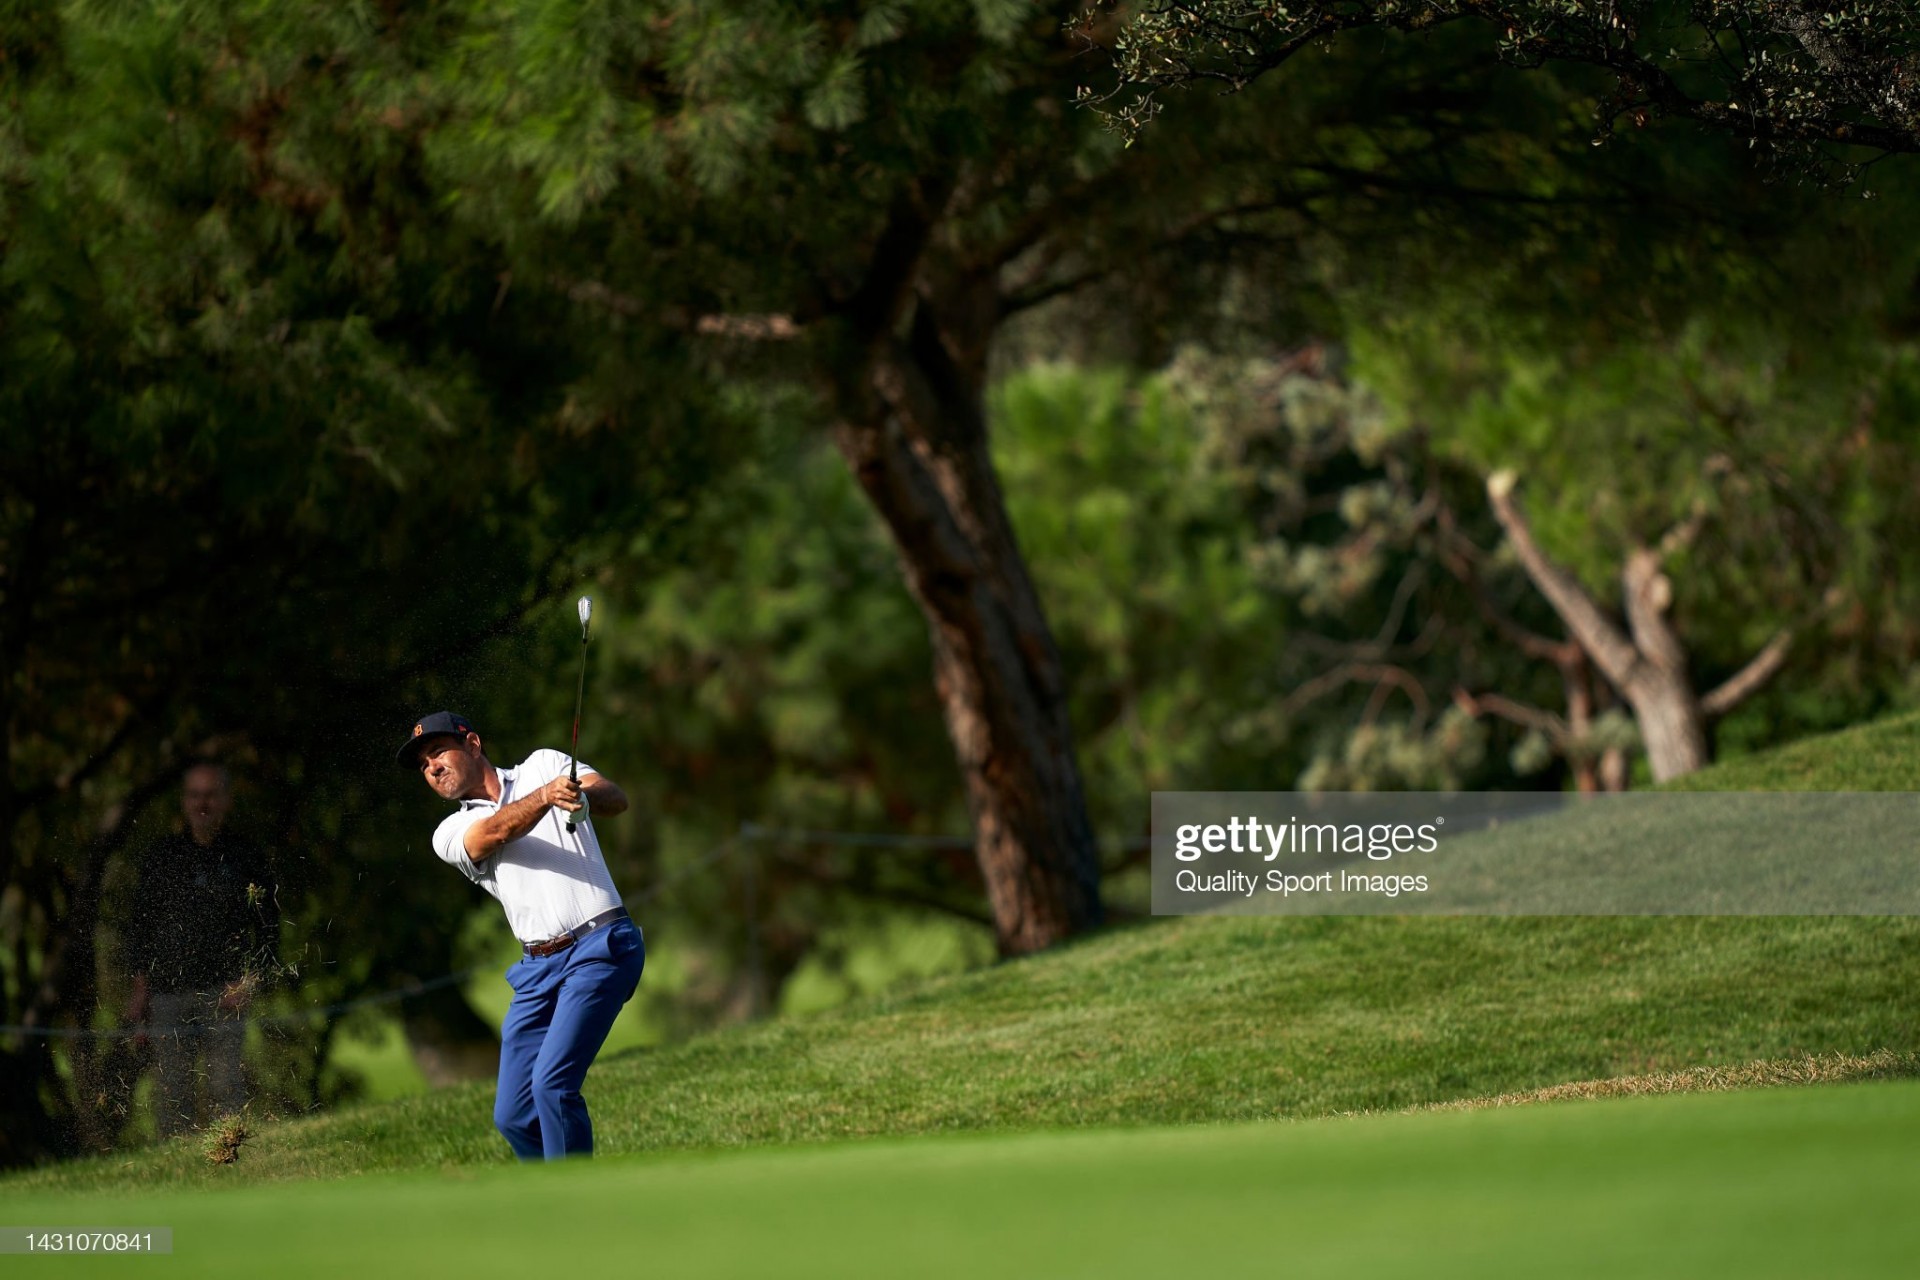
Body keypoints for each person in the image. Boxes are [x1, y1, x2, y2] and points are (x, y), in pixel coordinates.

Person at [399, 711, 644, 1160]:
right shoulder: (448, 832)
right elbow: (493, 833)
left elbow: (616, 798)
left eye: (437, 752)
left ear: (472, 743)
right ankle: (554, 1193)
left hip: (601, 947)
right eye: (422, 765)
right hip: (537, 971)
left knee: (552, 1085)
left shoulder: (545, 763)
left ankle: (574, 1212)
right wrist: (548, 797)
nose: (430, 768)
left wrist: (584, 798)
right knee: (512, 1114)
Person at [123, 762, 279, 1138]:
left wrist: (249, 982)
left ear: (226, 800)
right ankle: (176, 1172)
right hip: (166, 995)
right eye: (194, 795)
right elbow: (140, 927)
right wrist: (139, 992)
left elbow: (269, 927)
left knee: (226, 1086)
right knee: (172, 1093)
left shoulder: (245, 856)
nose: (202, 802)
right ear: (184, 801)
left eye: (210, 794)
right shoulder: (163, 857)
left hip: (224, 992)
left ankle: (230, 1160)